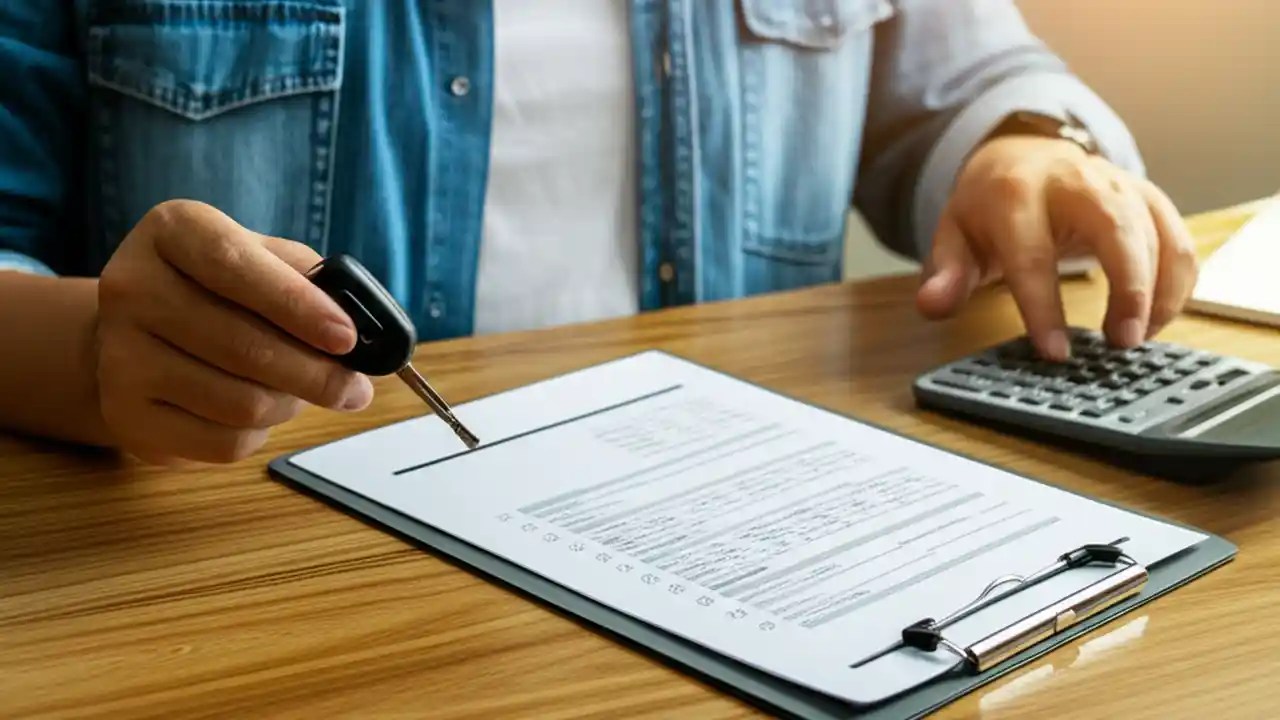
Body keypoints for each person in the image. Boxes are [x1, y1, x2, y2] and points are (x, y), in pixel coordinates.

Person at [0, 1, 1198, 465]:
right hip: (255, 579)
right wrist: (90, 357)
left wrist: (1024, 143)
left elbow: (966, 80)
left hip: (729, 524)